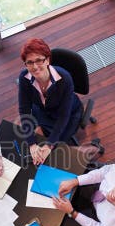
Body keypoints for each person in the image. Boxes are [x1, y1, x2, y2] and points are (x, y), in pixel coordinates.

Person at [17, 38, 83, 166]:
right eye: (29, 62)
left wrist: (49, 145)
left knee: (58, 147)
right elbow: (24, 110)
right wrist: (32, 144)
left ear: (47, 60)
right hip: (44, 111)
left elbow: (64, 116)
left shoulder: (64, 79)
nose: (35, 67)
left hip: (67, 114)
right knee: (35, 140)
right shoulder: (24, 78)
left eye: (39, 60)